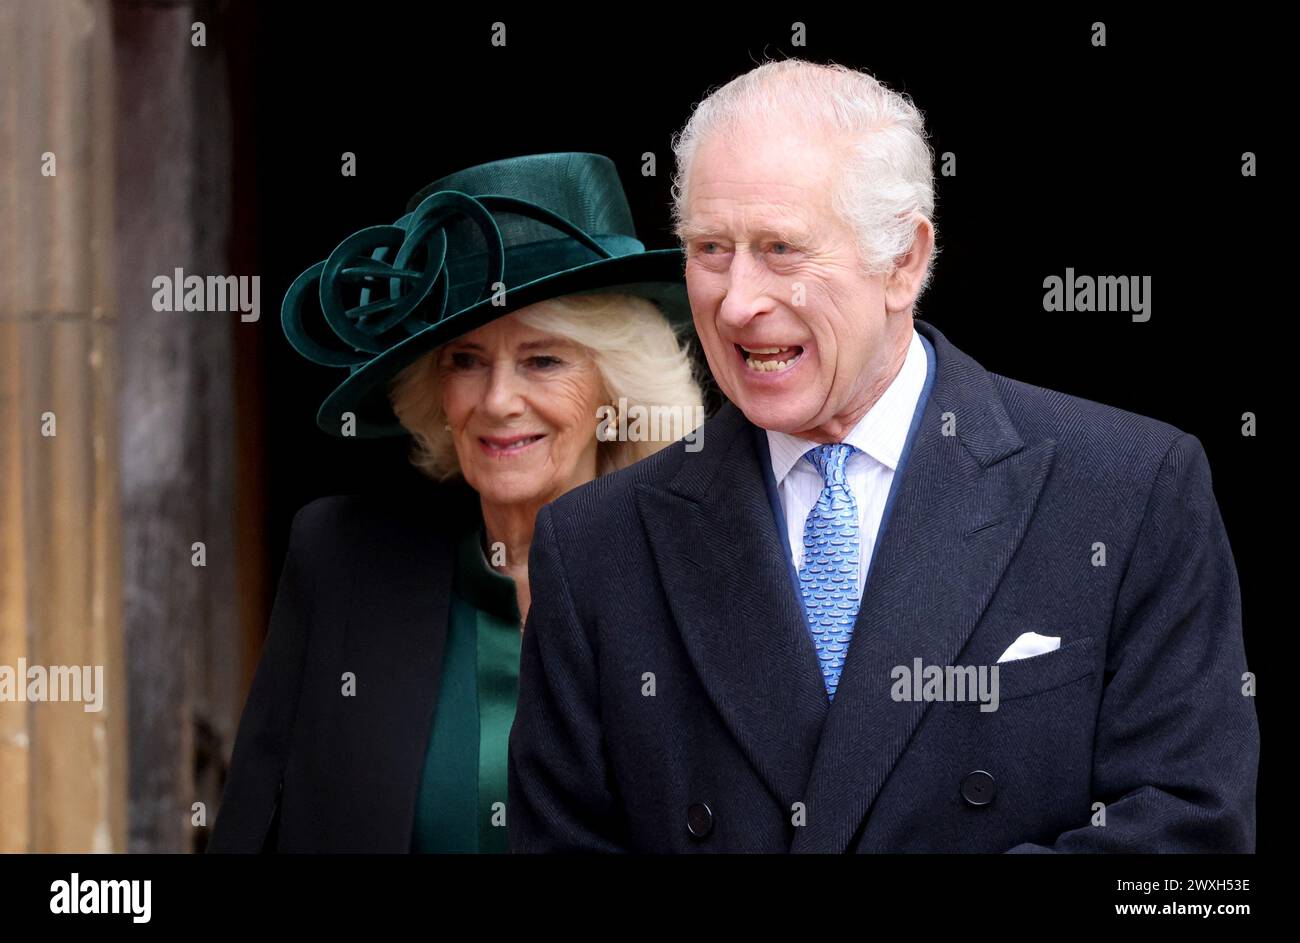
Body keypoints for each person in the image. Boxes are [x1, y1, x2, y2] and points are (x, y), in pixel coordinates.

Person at [508, 61, 1258, 852]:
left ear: (904, 260)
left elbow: (1188, 848)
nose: (736, 302)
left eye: (781, 248)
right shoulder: (592, 546)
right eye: (710, 249)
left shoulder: (1128, 488)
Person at [207, 153, 704, 853]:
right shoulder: (341, 560)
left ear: (614, 391)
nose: (498, 401)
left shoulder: (702, 579)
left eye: (543, 359)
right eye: (466, 360)